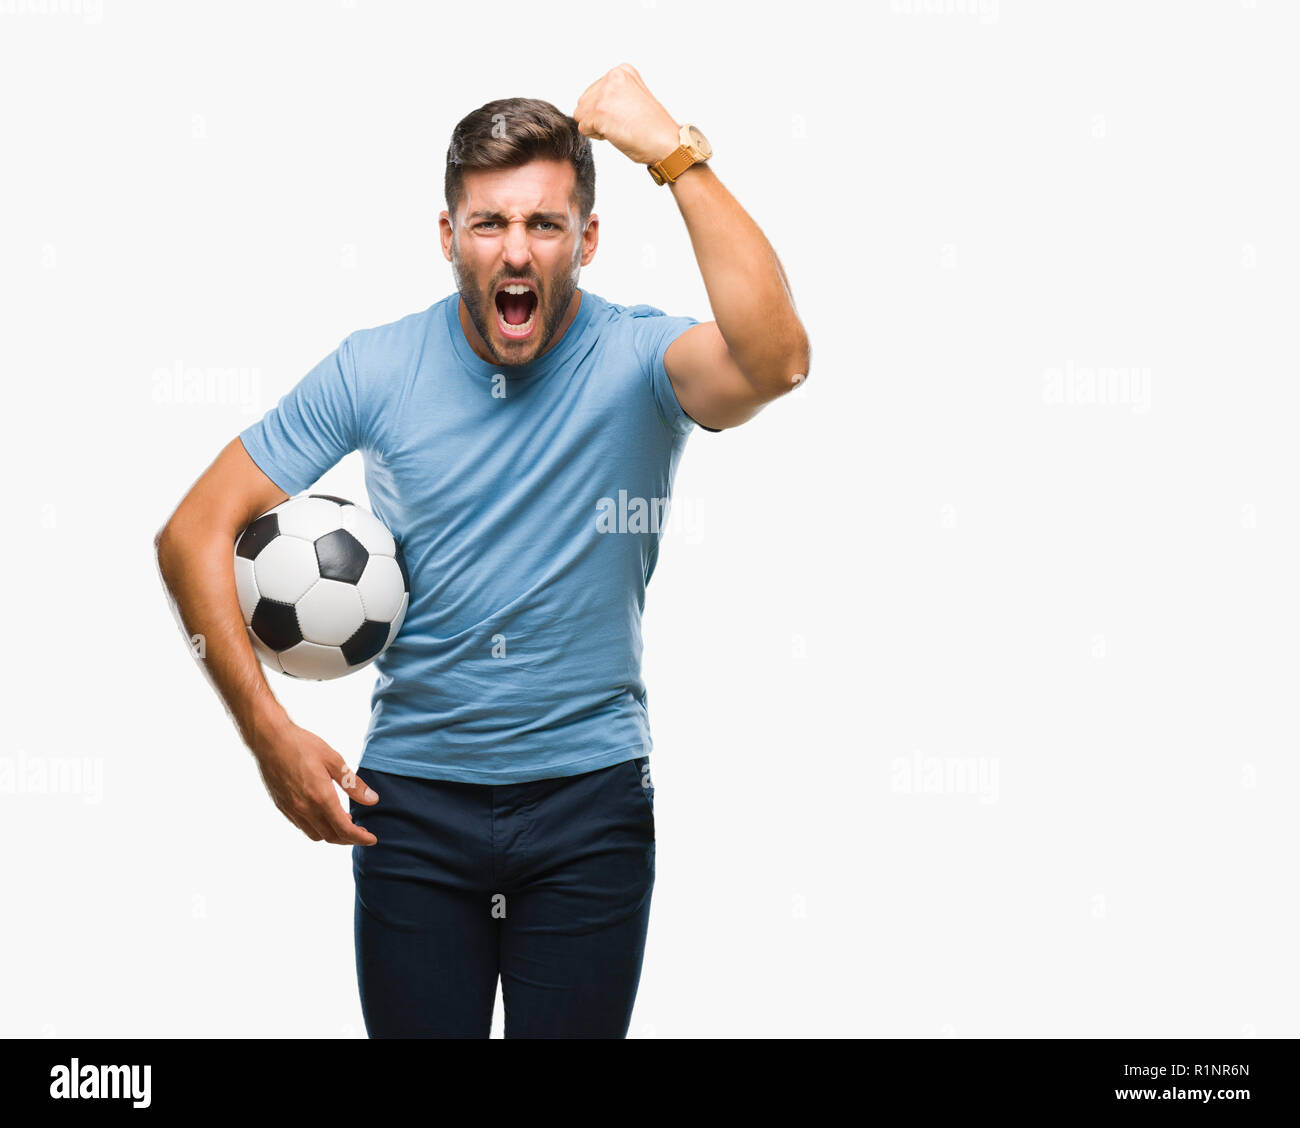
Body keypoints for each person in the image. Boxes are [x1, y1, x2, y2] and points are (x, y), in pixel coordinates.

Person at [154, 64, 810, 1038]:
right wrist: (269, 736)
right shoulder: (375, 365)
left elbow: (777, 359)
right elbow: (192, 531)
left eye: (545, 225)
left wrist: (671, 153)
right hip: (410, 807)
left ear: (585, 241)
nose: (517, 249)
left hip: (589, 807)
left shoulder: (640, 361)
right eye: (490, 223)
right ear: (448, 237)